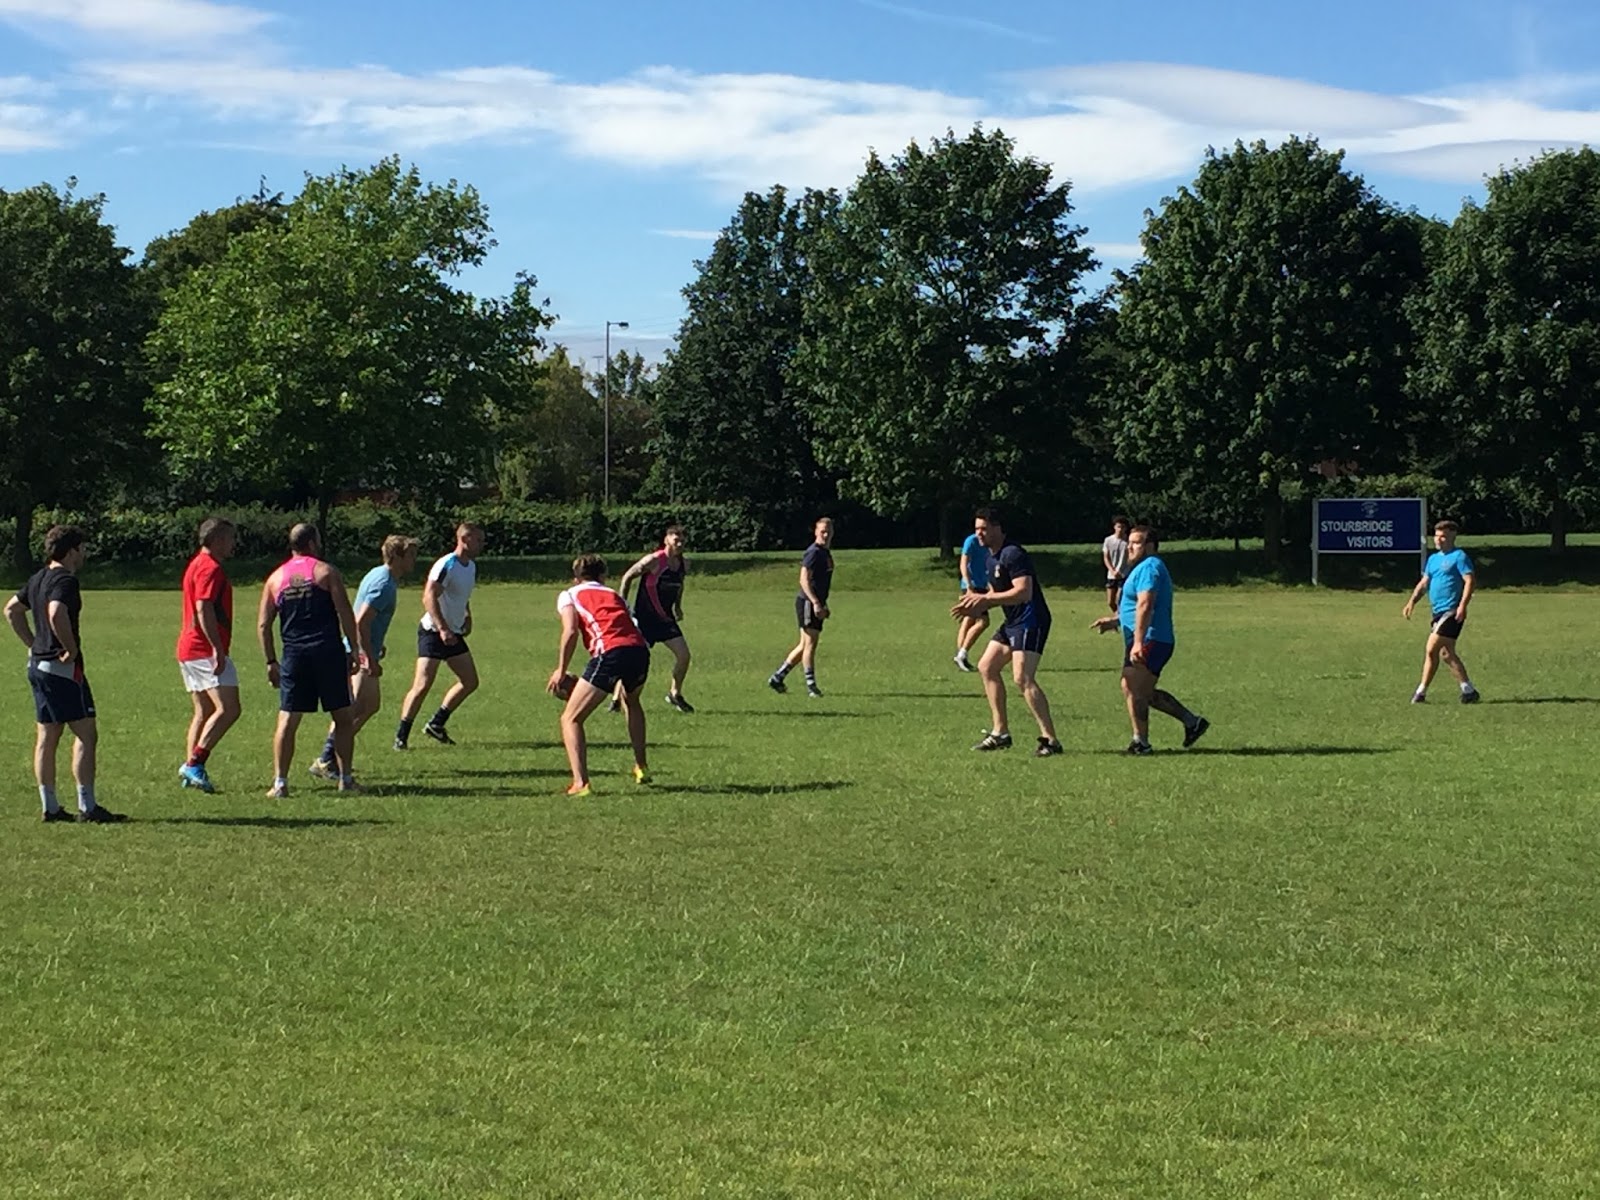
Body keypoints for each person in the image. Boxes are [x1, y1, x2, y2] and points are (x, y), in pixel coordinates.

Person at [5, 525, 124, 822]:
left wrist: (34, 645)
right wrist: (68, 647)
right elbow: (56, 611)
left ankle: (51, 806)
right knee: (86, 733)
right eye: (82, 548)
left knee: (47, 735)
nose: (84, 554)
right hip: (62, 670)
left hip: (37, 667)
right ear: (71, 551)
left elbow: (11, 610)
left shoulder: (38, 577)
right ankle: (88, 806)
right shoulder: (65, 580)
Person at [257, 523, 362, 797]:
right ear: (313, 543)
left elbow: (263, 625)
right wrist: (354, 649)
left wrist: (270, 661)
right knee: (342, 716)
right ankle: (346, 778)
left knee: (288, 719)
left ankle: (280, 782)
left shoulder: (275, 578)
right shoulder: (325, 572)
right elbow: (345, 613)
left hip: (294, 655)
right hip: (327, 652)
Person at [950, 508, 1064, 756]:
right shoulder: (991, 558)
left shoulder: (1013, 554)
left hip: (1031, 620)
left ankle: (1051, 740)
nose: (979, 533)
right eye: (976, 528)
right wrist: (977, 601)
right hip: (1013, 621)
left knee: (1022, 678)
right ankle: (1000, 733)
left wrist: (985, 600)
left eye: (984, 528)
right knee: (987, 667)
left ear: (998, 528)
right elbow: (995, 595)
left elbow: (1024, 592)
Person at [1090, 525, 1209, 754]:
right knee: (1139, 690)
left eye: (1136, 542)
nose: (1130, 547)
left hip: (1151, 638)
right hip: (1147, 638)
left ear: (1150, 546)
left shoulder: (1150, 566)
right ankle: (1192, 722)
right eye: (1130, 542)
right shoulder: (1140, 568)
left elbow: (1146, 604)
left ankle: (1141, 743)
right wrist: (1115, 622)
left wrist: (1138, 642)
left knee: (1133, 688)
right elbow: (1134, 608)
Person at [310, 534, 420, 779]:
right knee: (352, 709)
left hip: (362, 650)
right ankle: (327, 760)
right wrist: (367, 656)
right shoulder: (383, 584)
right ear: (397, 556)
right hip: (358, 654)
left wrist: (375, 647)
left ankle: (330, 757)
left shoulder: (382, 576)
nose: (415, 559)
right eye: (411, 554)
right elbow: (361, 622)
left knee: (370, 705)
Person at [547, 553, 651, 796]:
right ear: (603, 575)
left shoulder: (570, 595)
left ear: (575, 578)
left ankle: (580, 784)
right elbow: (630, 623)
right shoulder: (613, 594)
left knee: (570, 719)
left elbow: (571, 631)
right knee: (632, 702)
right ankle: (641, 766)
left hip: (609, 653)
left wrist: (561, 670)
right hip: (639, 650)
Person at [395, 522, 483, 748]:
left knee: (470, 681)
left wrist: (467, 616)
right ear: (465, 539)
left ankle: (436, 724)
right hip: (433, 632)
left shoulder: (470, 566)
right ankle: (401, 737)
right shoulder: (447, 565)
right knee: (423, 684)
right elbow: (428, 597)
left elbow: (462, 596)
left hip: (452, 633)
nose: (482, 544)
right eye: (478, 540)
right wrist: (442, 628)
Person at [176, 516, 240, 794]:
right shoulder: (209, 567)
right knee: (229, 709)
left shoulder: (195, 565)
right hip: (203, 649)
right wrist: (217, 648)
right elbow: (204, 607)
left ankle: (191, 771)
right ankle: (194, 763)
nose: (232, 544)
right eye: (229, 539)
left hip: (189, 647)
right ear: (216, 540)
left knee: (203, 711)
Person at [616, 524, 694, 713]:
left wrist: (677, 606)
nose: (680, 543)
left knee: (684, 656)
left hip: (666, 621)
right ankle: (617, 699)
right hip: (644, 620)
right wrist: (622, 604)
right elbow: (627, 576)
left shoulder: (684, 564)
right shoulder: (654, 561)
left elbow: (679, 584)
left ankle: (675, 694)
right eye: (676, 539)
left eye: (683, 539)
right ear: (666, 540)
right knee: (632, 660)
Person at [1403, 519, 1480, 704]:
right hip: (1437, 612)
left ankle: (1420, 693)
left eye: (1443, 536)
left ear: (1453, 536)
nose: (1439, 540)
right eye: (1437, 536)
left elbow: (1470, 581)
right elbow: (1424, 583)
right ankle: (1468, 691)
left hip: (1451, 611)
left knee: (1431, 649)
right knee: (1446, 653)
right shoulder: (1433, 559)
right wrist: (1411, 602)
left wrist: (1462, 605)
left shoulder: (1459, 556)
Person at [768, 517, 834, 698]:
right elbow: (804, 579)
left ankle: (778, 677)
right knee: (811, 643)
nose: (826, 534)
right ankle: (811, 685)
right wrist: (815, 602)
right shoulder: (813, 552)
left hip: (816, 602)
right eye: (822, 531)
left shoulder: (825, 553)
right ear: (815, 532)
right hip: (807, 602)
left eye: (828, 531)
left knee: (804, 644)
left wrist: (823, 603)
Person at [953, 525, 990, 672]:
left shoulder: (988, 542)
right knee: (983, 621)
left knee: (969, 620)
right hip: (971, 586)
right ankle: (962, 654)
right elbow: (964, 563)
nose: (979, 532)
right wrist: (968, 586)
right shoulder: (971, 541)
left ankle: (961, 655)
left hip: (982, 586)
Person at [1102, 515, 1131, 612]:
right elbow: (1106, 557)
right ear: (1114, 527)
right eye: (1118, 526)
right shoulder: (1108, 540)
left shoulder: (1129, 541)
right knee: (1110, 602)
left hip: (1124, 574)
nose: (1120, 529)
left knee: (1120, 599)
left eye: (1123, 527)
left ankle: (1120, 618)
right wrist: (1112, 570)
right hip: (1111, 575)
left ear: (1126, 528)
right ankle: (1117, 617)